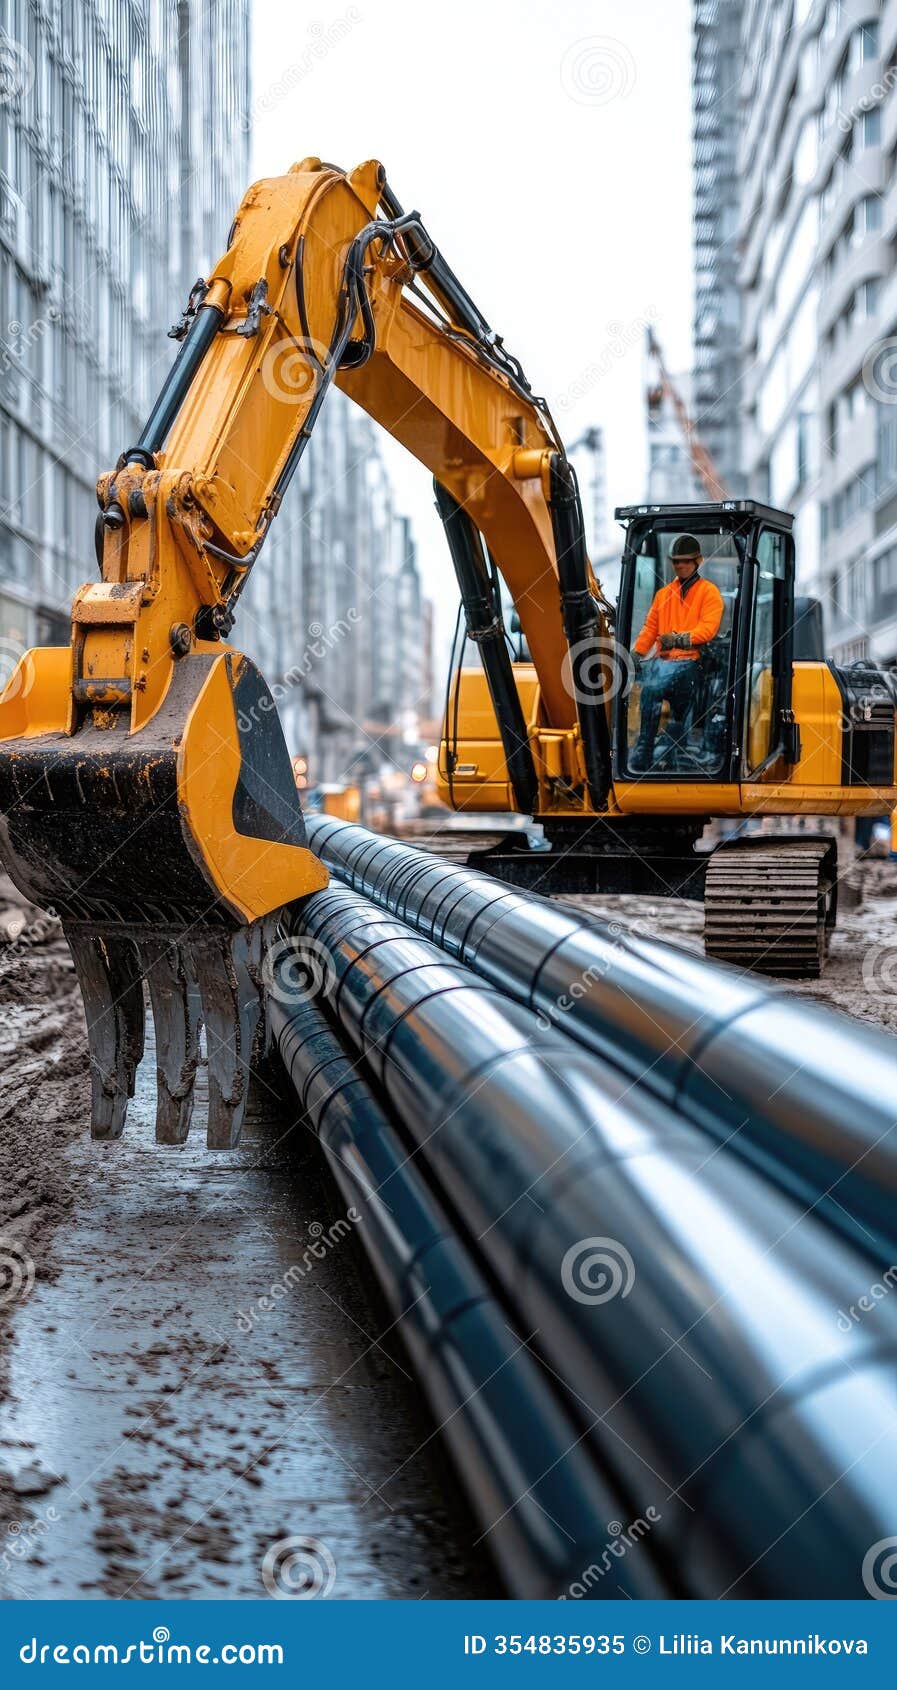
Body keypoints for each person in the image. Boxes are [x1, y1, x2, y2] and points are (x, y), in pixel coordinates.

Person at [630, 534, 724, 772]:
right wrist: (636, 654)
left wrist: (682, 639)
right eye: (677, 561)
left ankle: (654, 747)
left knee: (654, 687)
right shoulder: (663, 594)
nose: (681, 565)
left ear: (698, 561)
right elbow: (650, 627)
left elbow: (708, 628)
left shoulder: (709, 593)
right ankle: (648, 745)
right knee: (650, 685)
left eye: (687, 561)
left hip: (693, 661)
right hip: (665, 661)